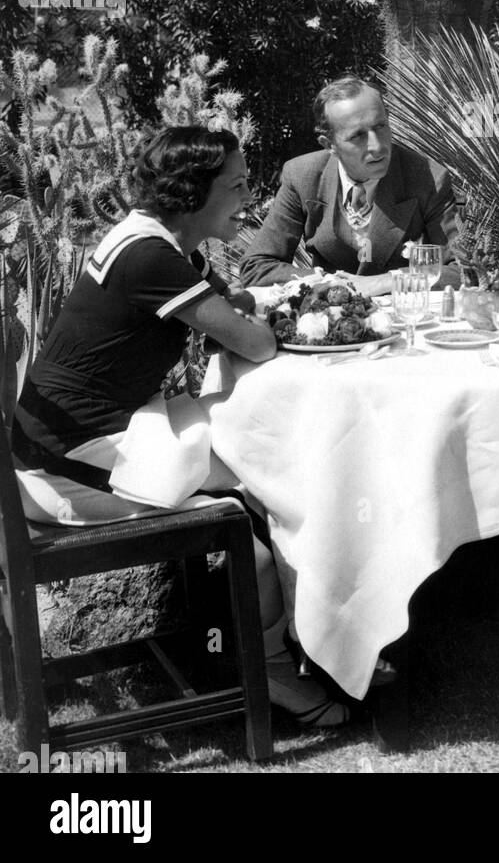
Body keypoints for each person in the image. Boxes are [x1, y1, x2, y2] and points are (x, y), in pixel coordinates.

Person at [12, 125, 346, 727]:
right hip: (61, 465)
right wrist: (251, 313)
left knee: (267, 471)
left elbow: (234, 304)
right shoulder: (150, 257)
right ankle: (272, 664)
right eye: (239, 185)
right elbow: (256, 341)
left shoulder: (162, 244)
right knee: (258, 503)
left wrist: (244, 304)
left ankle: (297, 640)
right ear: (193, 192)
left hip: (83, 437)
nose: (250, 198)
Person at [239, 76, 461, 295]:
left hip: (405, 319)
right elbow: (256, 266)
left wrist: (385, 282)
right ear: (330, 144)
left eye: (380, 126)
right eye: (358, 136)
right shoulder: (302, 176)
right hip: (328, 319)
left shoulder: (428, 177)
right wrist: (330, 283)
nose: (377, 146)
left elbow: (462, 270)